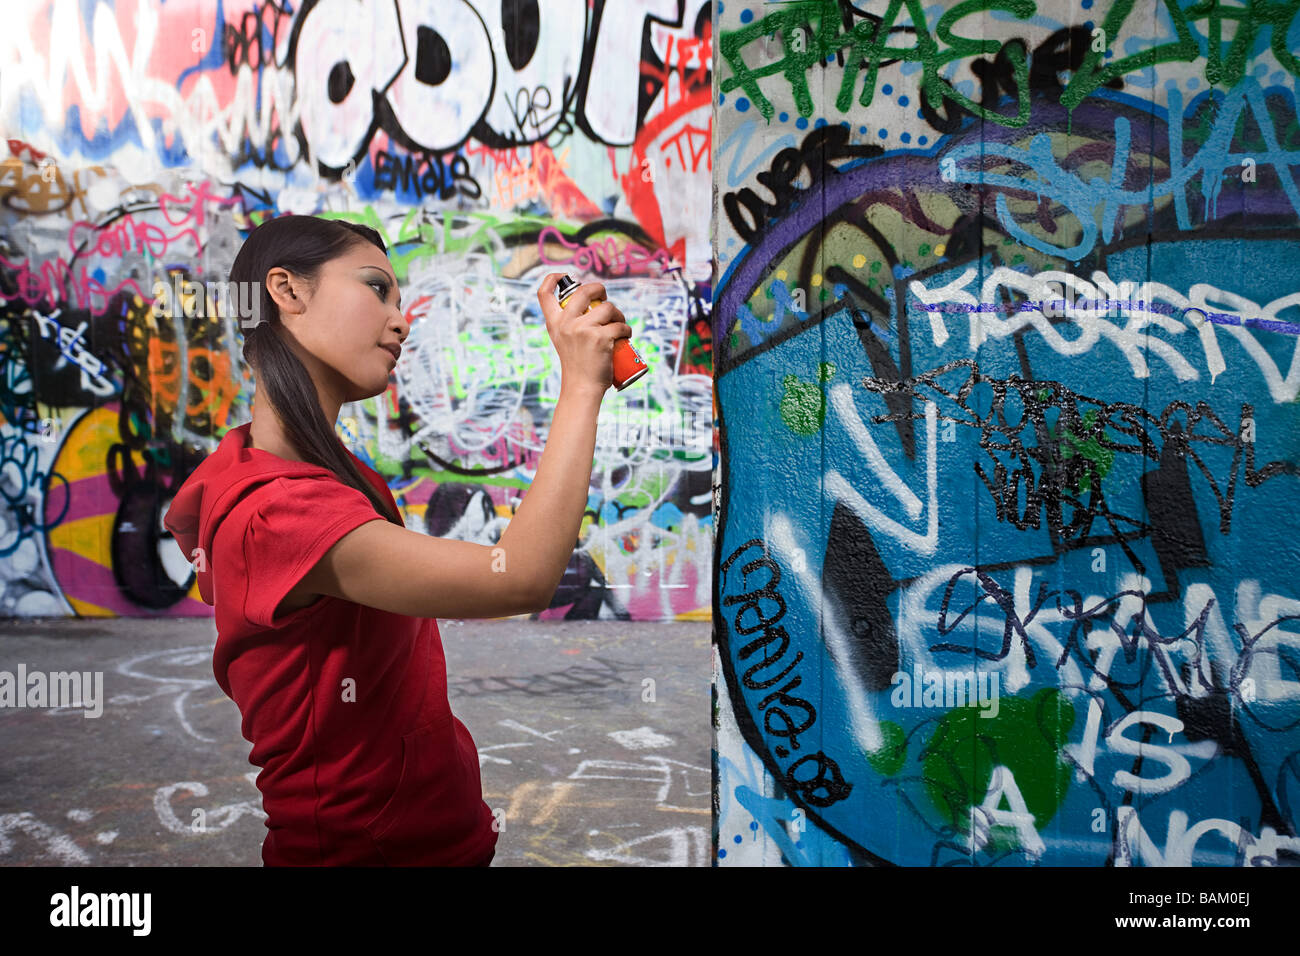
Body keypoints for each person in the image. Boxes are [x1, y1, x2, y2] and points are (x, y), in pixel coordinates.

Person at [162, 214, 631, 866]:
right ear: (287, 292)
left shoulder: (310, 472)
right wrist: (581, 385)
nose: (400, 318)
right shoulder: (280, 512)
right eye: (376, 289)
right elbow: (518, 576)